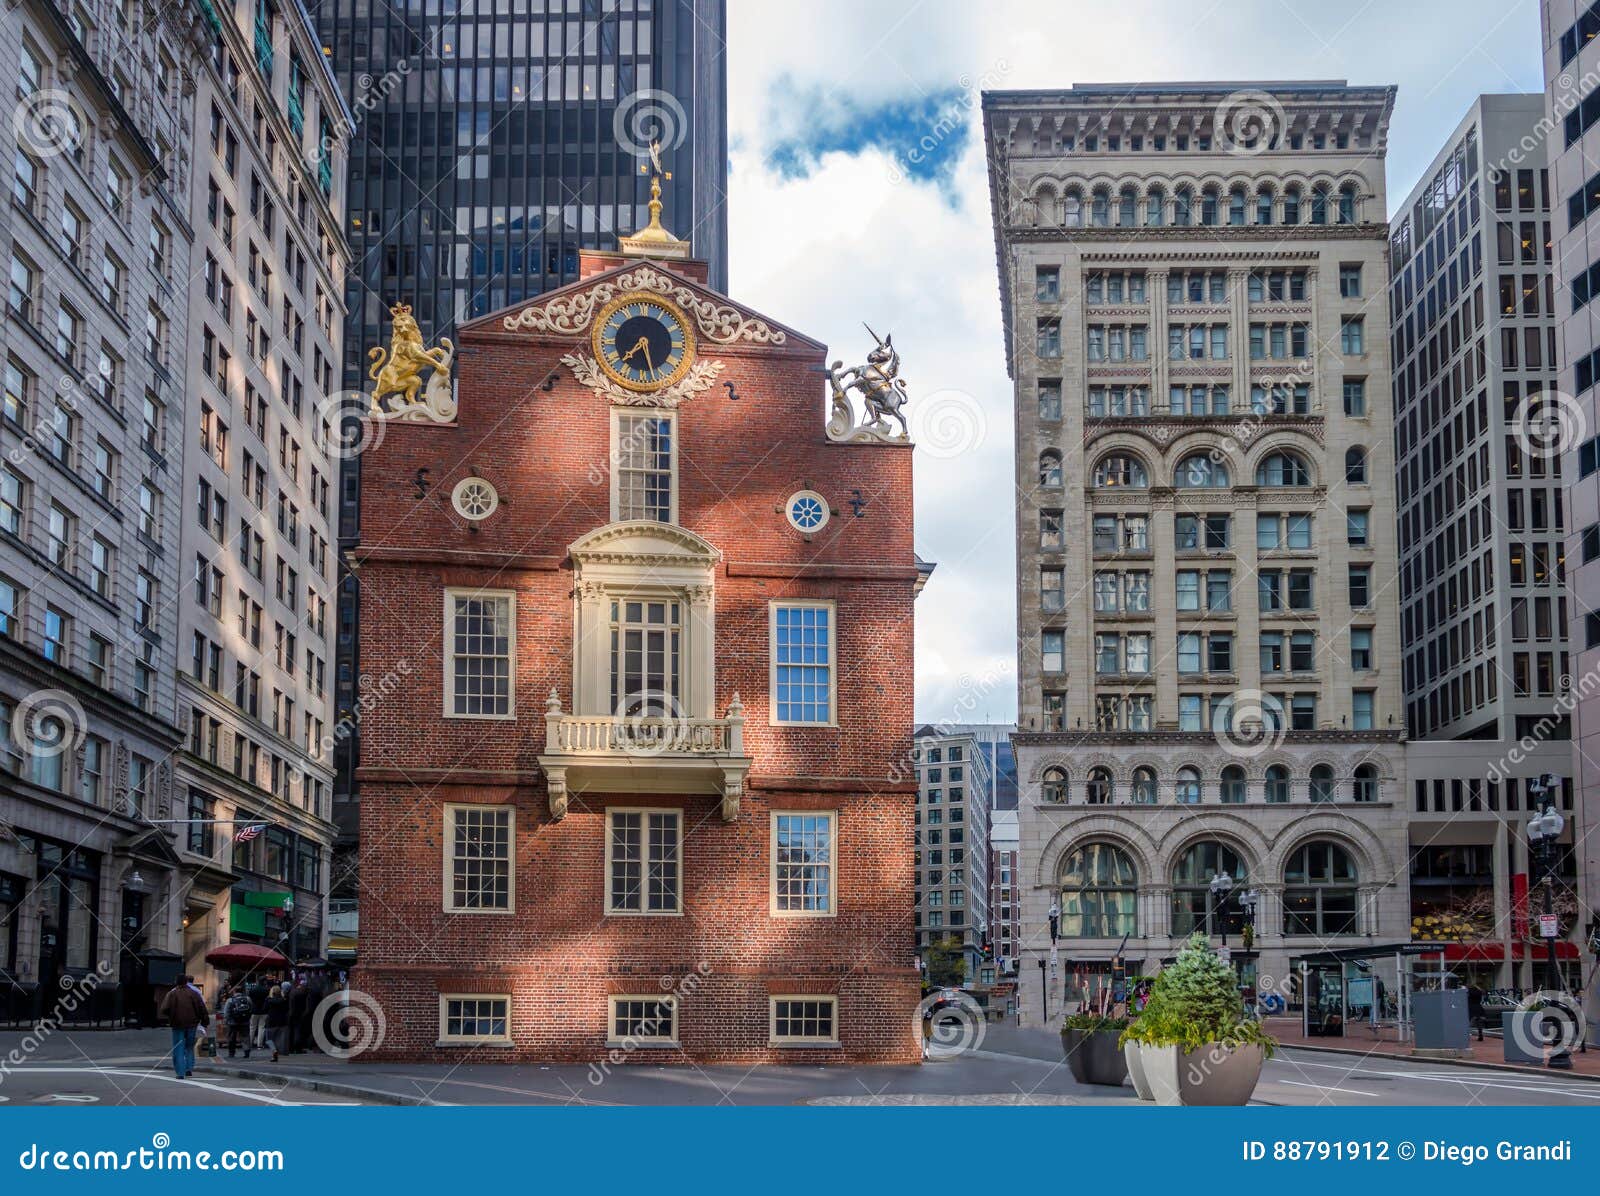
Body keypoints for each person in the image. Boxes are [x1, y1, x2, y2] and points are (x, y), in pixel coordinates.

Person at [157, 974, 209, 1079]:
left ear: (176, 982)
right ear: (186, 982)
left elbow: (164, 1009)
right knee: (189, 1047)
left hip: (177, 1024)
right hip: (192, 1024)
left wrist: (171, 1015)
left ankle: (180, 1072)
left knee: (178, 1048)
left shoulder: (172, 994)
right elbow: (202, 1008)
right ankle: (189, 1068)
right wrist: (204, 1021)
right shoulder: (194, 994)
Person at [222, 985, 254, 1058]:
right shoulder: (248, 999)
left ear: (234, 991)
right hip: (245, 1021)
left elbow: (226, 1012)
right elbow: (251, 1009)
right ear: (243, 991)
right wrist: (248, 1018)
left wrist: (226, 1020)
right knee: (245, 1036)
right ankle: (246, 1052)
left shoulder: (230, 1000)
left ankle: (231, 1053)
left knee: (231, 1037)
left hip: (232, 1022)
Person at [264, 982, 291, 1061]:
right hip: (282, 1021)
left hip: (271, 1021)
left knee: (269, 1039)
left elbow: (264, 1009)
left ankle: (274, 1051)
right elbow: (287, 1009)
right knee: (279, 1039)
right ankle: (276, 1054)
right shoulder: (284, 1000)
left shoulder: (268, 1000)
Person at [247, 976, 271, 1051]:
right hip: (264, 1011)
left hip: (254, 1010)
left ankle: (250, 1043)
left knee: (252, 1027)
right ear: (264, 981)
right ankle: (259, 1045)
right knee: (261, 1028)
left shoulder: (252, 989)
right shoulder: (267, 990)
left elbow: (249, 999)